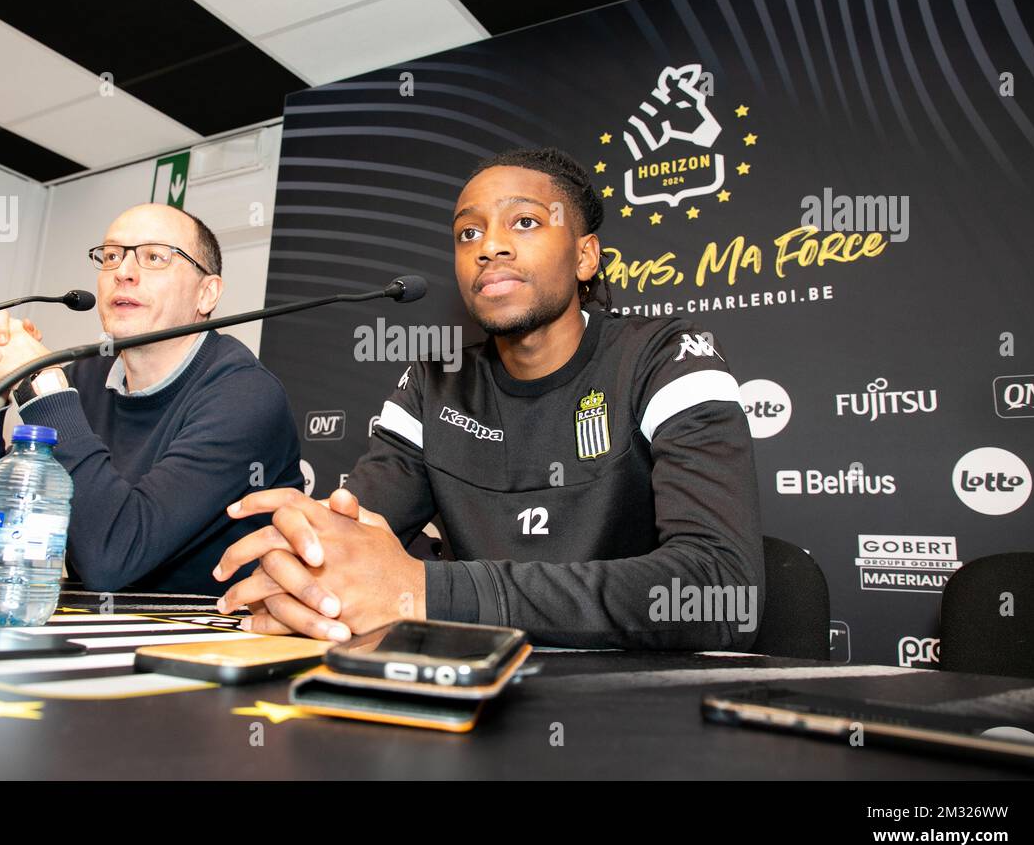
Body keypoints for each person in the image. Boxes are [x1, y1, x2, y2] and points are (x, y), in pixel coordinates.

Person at [213, 147, 763, 649]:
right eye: (467, 234)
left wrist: (429, 591)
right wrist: (310, 572)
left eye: (524, 222)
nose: (489, 247)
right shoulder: (436, 381)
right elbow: (352, 543)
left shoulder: (668, 357)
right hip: (468, 698)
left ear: (585, 256)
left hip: (633, 717)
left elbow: (723, 588)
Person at [0, 203, 302, 594]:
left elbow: (114, 561)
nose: (123, 273)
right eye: (111, 256)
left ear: (206, 293)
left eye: (154, 257)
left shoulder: (245, 394)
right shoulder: (82, 378)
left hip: (207, 641)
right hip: (90, 635)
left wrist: (41, 384)